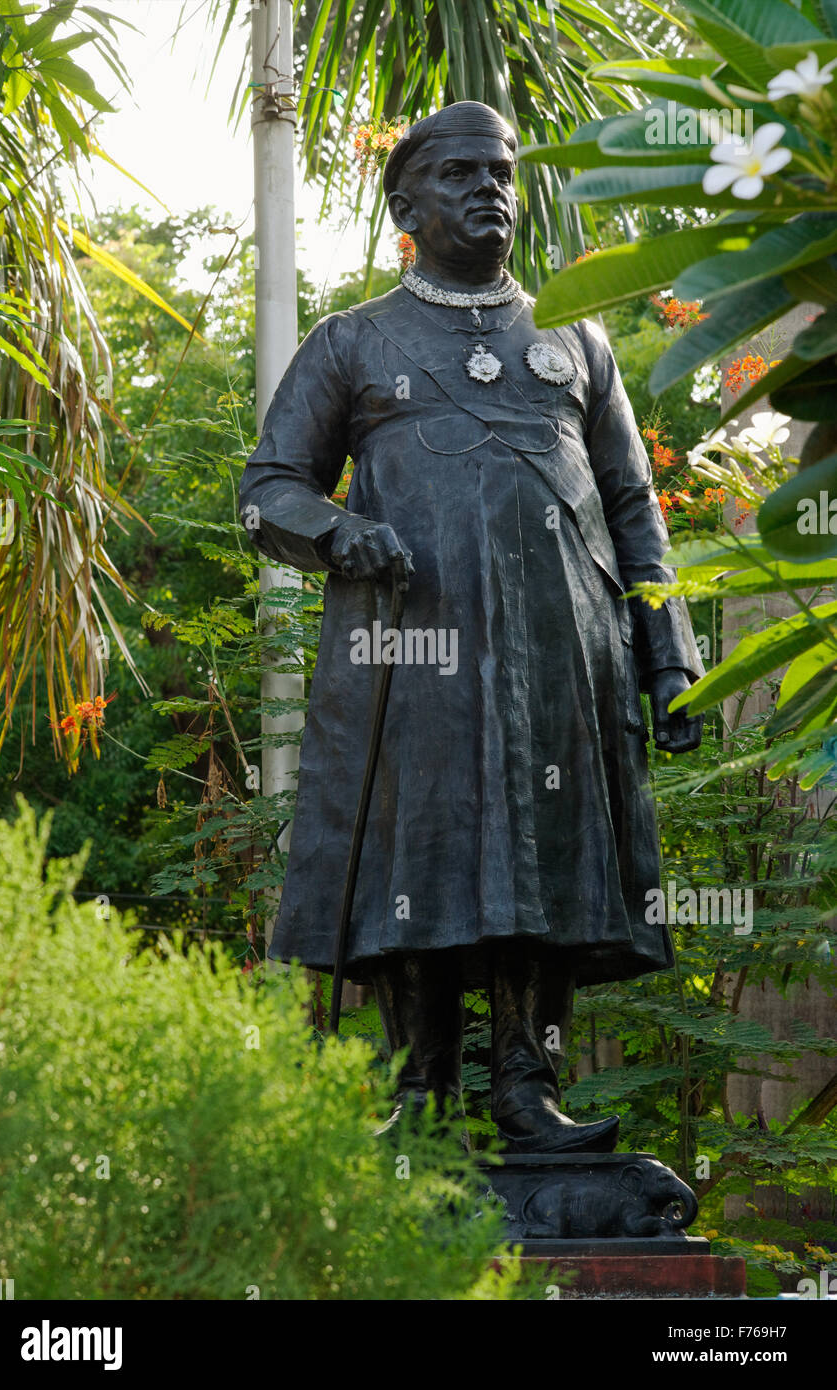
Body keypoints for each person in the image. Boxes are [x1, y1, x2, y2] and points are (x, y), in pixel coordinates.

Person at [239, 101, 704, 1154]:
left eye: (499, 172)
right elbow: (267, 489)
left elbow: (633, 506)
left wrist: (667, 654)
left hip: (561, 655)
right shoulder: (351, 341)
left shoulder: (574, 338)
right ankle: (423, 1091)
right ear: (406, 204)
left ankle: (526, 1089)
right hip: (413, 654)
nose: (487, 189)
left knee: (547, 863)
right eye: (457, 175)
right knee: (429, 858)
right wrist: (337, 530)